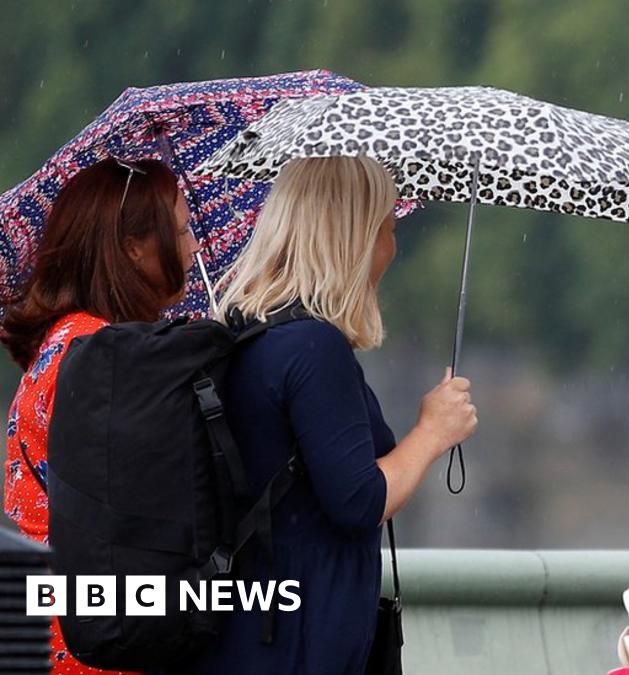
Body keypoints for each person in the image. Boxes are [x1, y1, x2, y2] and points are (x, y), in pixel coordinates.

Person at [189, 156, 478, 674]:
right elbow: (359, 499)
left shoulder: (250, 332)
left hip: (248, 630)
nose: (393, 247)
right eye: (387, 229)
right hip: (296, 644)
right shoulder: (313, 348)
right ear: (354, 239)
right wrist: (433, 431)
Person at [2, 157, 199, 674]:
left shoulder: (68, 340)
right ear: (134, 249)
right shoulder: (101, 355)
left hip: (49, 628)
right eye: (180, 231)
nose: (194, 246)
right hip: (97, 644)